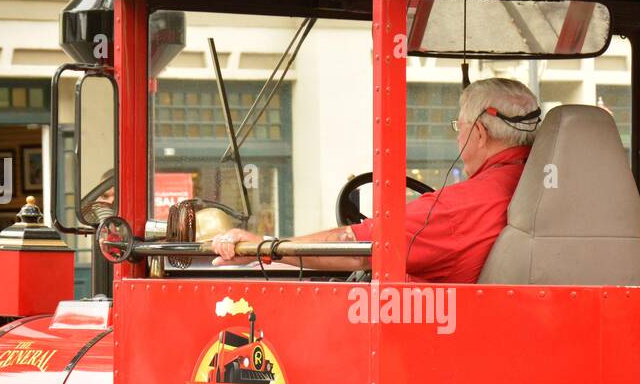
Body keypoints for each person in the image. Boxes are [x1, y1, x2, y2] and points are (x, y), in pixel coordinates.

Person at [211, 78, 541, 283]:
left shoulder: (459, 209)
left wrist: (262, 247)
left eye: (460, 128)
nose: (458, 141)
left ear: (479, 133)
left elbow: (359, 247)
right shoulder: (548, 190)